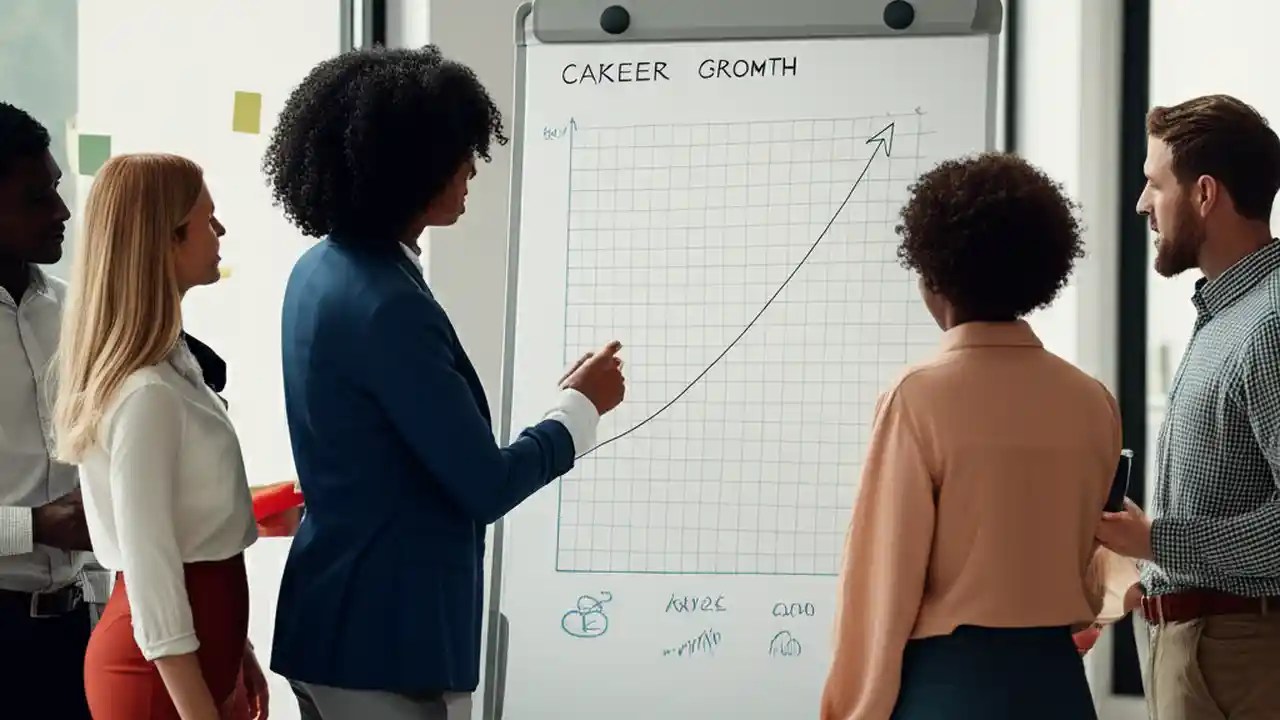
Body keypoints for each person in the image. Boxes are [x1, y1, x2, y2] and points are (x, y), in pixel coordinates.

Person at [263, 45, 626, 719]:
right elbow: (484, 485)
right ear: (409, 169)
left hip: (330, 625)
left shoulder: (321, 270)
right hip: (388, 648)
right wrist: (579, 410)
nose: (471, 168)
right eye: (460, 153)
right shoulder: (387, 301)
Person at [820, 152, 1126, 719]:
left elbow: (882, 584)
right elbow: (1097, 559)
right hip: (1058, 685)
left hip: (950, 688)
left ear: (934, 274)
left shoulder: (917, 397)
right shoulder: (1092, 400)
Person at [51, 153, 269, 719]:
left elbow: (188, 530)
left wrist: (234, 651)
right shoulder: (147, 392)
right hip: (156, 676)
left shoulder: (174, 365)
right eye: (207, 219)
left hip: (191, 658)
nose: (219, 232)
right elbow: (152, 569)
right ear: (167, 239)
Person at [1097, 93, 1280, 719]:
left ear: (1204, 194)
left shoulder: (1270, 324)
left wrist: (1158, 539)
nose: (1143, 203)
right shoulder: (1228, 315)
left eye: (1154, 183)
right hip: (1197, 649)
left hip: (1234, 658)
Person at [0, 101, 93, 719]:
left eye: (57, 189)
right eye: (37, 197)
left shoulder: (76, 310)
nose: (61, 212)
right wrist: (32, 528)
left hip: (78, 631)